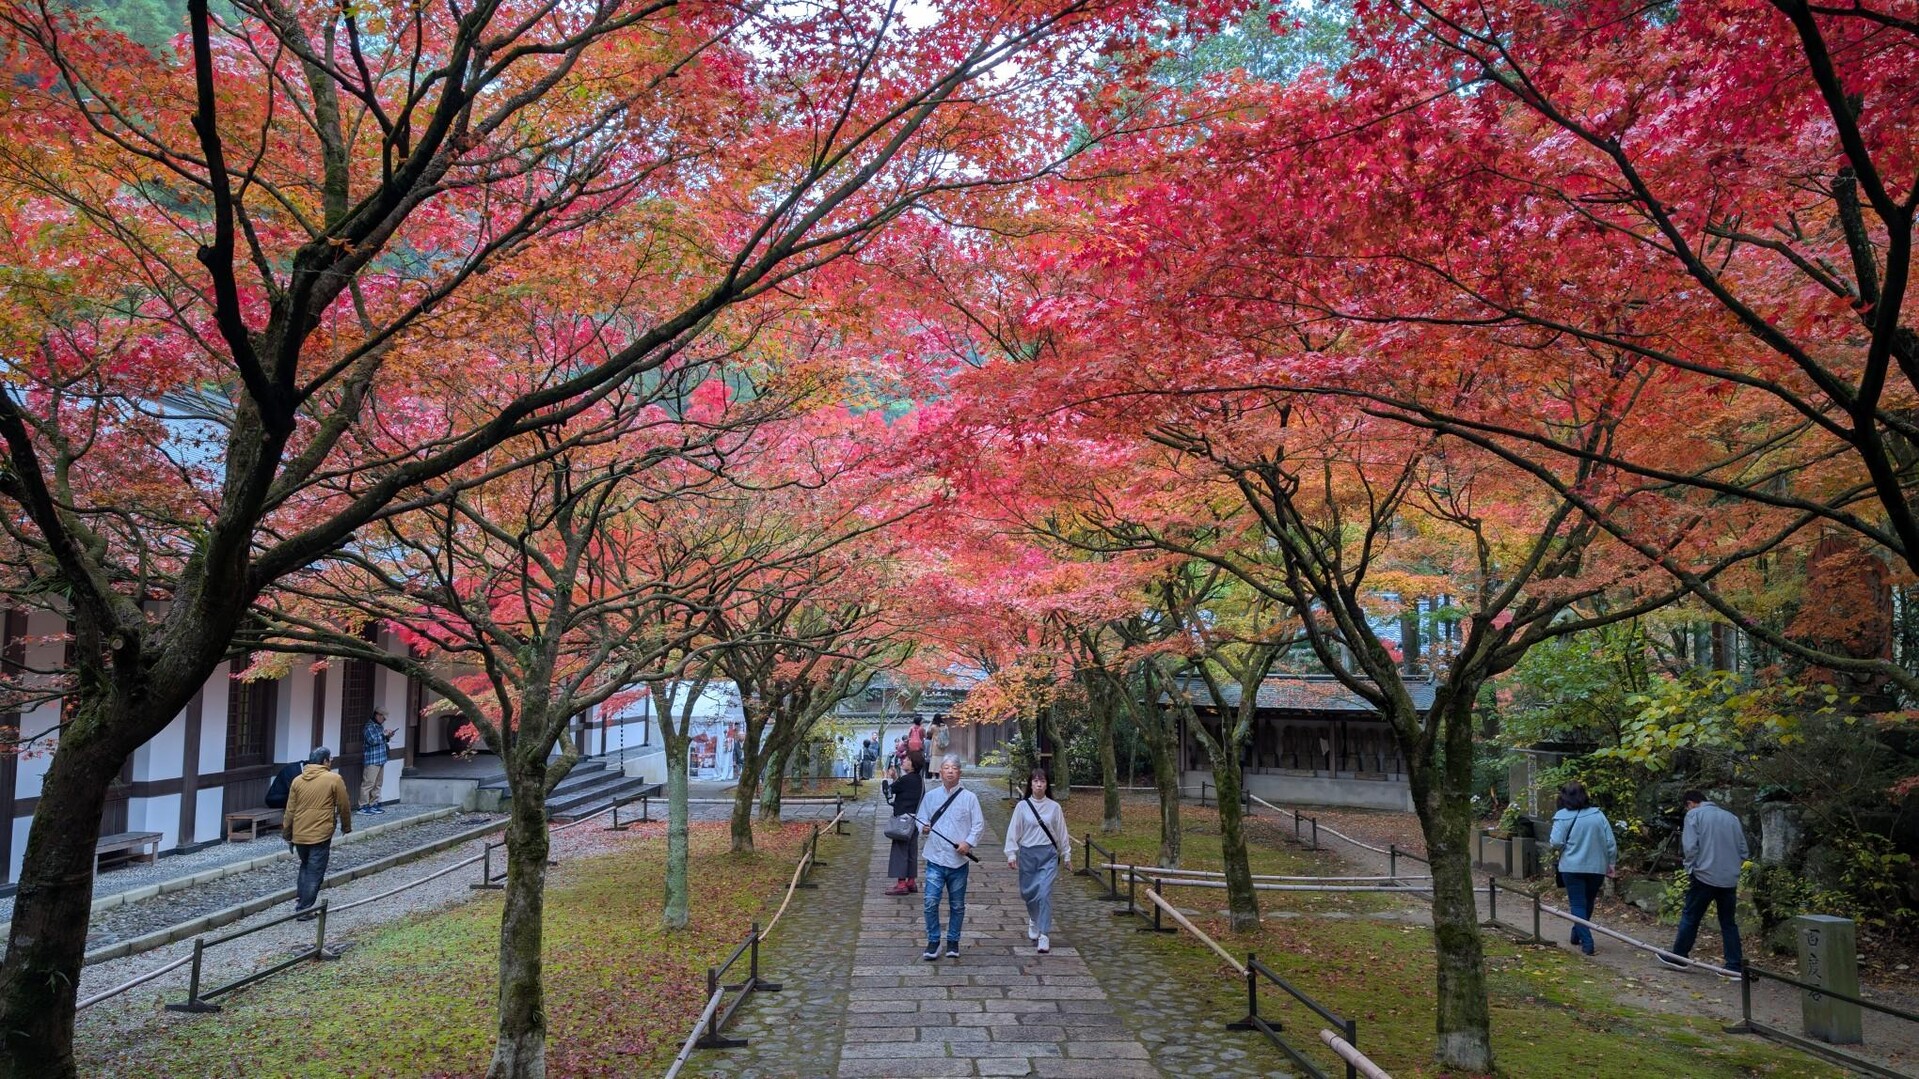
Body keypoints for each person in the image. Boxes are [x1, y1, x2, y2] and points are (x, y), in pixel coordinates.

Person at [1661, 789, 1750, 971]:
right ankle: (1734, 965)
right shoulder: (1731, 818)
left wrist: (1690, 868)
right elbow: (1744, 850)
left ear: (1690, 803)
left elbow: (1690, 846)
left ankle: (1679, 955)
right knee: (1728, 923)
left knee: (1691, 916)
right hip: (1729, 879)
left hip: (1704, 875)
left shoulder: (1695, 815)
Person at [917, 754, 983, 961]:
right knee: (930, 901)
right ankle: (933, 940)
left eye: (954, 767)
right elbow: (920, 818)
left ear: (959, 772)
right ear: (941, 771)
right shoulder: (931, 796)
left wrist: (968, 843)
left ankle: (953, 941)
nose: (950, 771)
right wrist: (923, 827)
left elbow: (978, 825)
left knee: (957, 904)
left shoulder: (969, 798)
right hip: (935, 857)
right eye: (946, 767)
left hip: (958, 861)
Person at [1005, 767, 1070, 955]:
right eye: (1035, 781)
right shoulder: (1022, 807)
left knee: (1043, 893)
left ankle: (1044, 934)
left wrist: (1067, 854)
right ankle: (1034, 918)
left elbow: (1061, 832)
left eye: (1042, 781)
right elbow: (1013, 831)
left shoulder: (1054, 807)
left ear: (1047, 784)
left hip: (1048, 855)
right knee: (1028, 893)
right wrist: (1011, 853)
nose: (1039, 785)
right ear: (1030, 784)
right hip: (1027, 854)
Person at [285, 746, 353, 919]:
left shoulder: (298, 780)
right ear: (324, 761)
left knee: (305, 866)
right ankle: (304, 909)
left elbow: (290, 810)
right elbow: (344, 805)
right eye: (330, 760)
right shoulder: (334, 779)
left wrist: (287, 833)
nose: (331, 763)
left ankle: (302, 901)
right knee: (315, 871)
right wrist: (346, 826)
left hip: (299, 832)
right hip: (320, 831)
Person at [1548, 780, 1616, 956]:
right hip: (1596, 867)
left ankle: (1587, 942)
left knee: (1577, 904)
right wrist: (1611, 864)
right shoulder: (1598, 815)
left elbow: (1555, 842)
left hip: (1571, 866)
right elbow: (1610, 843)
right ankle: (1576, 934)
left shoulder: (1562, 816)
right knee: (1588, 902)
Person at [885, 754, 925, 895]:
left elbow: (891, 790)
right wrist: (897, 778)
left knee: (900, 850)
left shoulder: (906, 779)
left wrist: (893, 778)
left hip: (903, 820)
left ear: (913, 764)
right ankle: (911, 881)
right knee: (911, 851)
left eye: (907, 759)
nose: (904, 761)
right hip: (915, 819)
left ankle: (901, 883)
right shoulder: (919, 780)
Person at [359, 709, 396, 813]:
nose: (383, 720)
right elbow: (372, 740)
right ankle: (363, 805)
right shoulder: (369, 727)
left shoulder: (380, 727)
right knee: (368, 783)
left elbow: (382, 740)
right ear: (377, 715)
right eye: (382, 717)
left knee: (378, 784)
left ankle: (374, 803)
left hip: (381, 758)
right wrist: (384, 735)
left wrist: (388, 736)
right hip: (372, 759)